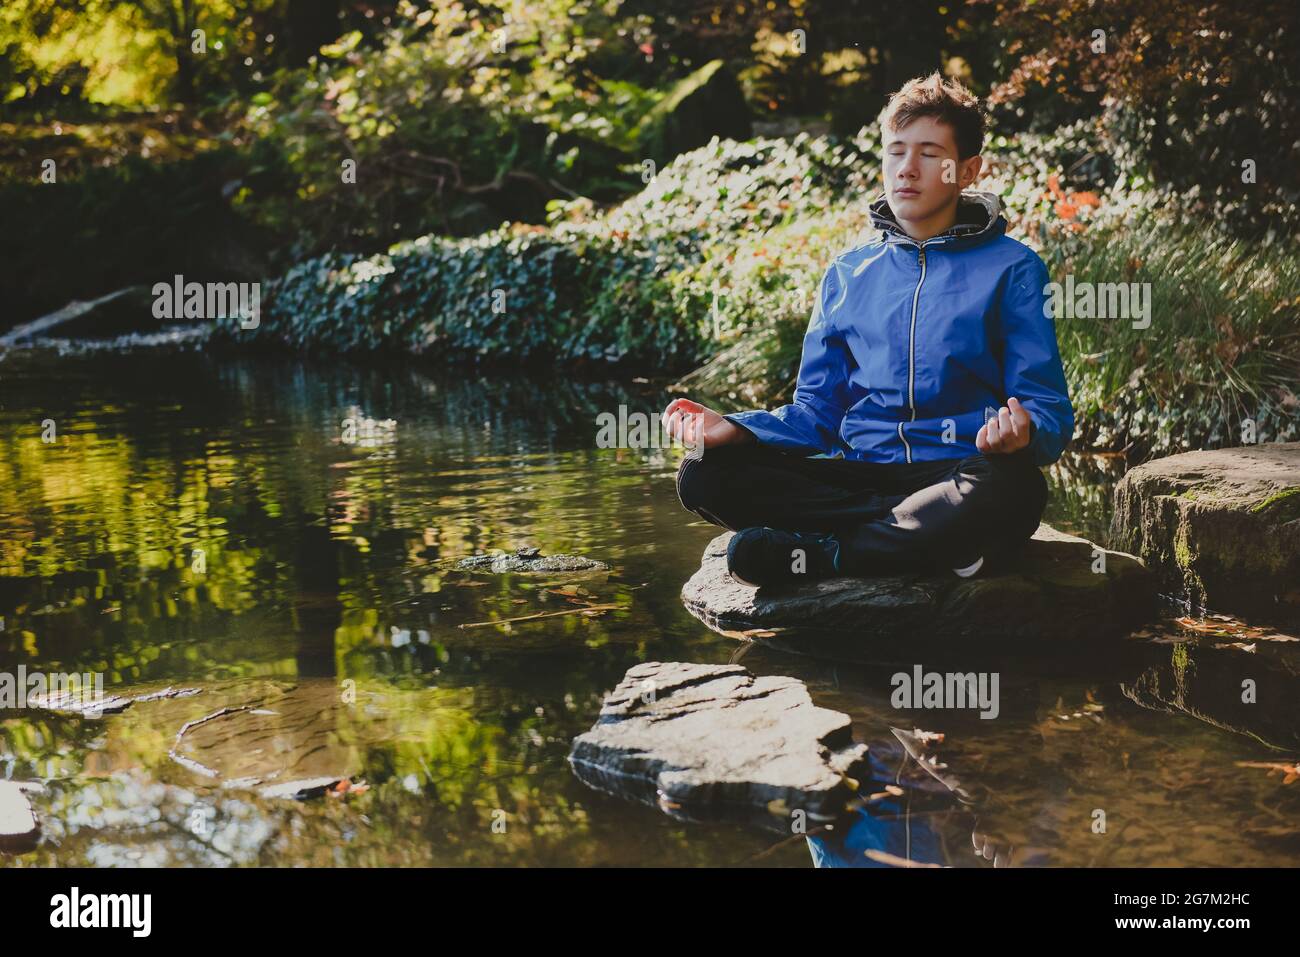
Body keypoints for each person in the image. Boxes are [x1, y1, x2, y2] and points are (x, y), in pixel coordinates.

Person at [663, 72, 1074, 588]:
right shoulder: (847, 273)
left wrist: (1023, 433)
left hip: (957, 473)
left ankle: (831, 554)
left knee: (1011, 488)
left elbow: (1049, 410)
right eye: (895, 151)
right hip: (859, 476)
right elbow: (816, 413)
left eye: (928, 153)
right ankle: (925, 542)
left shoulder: (1014, 269)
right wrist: (739, 430)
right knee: (704, 475)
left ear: (967, 170)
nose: (906, 169)